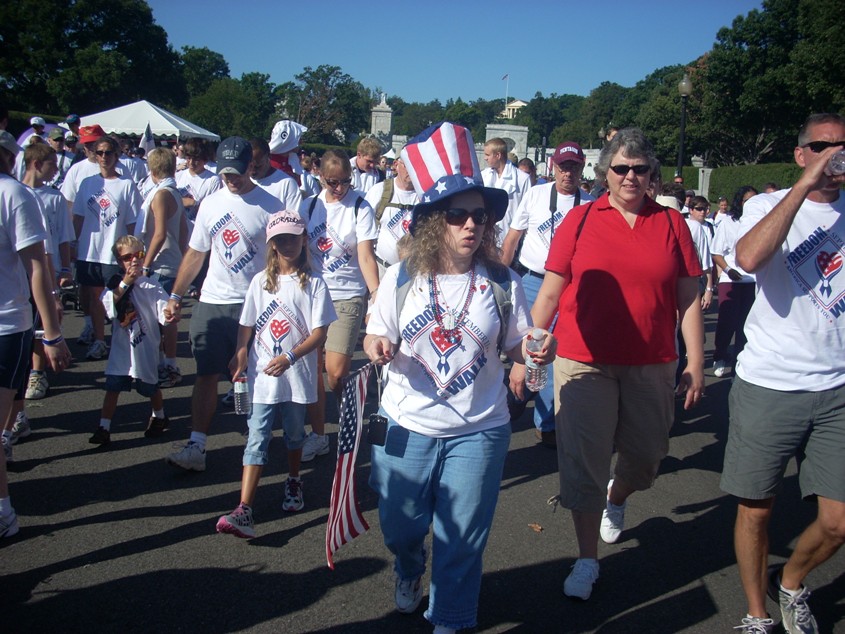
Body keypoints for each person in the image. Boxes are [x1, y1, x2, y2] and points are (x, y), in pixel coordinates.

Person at [365, 121, 554, 633]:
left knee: (462, 538)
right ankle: (408, 568)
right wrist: (378, 344)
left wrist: (533, 351)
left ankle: (450, 620)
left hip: (480, 427)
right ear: (433, 221)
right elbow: (374, 332)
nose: (472, 225)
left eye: (480, 215)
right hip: (406, 426)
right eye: (457, 215)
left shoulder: (503, 281)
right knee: (401, 527)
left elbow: (516, 345)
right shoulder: (402, 279)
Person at [529, 128, 704, 601]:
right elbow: (550, 290)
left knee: (647, 459)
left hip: (653, 362)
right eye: (621, 168)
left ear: (652, 175)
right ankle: (586, 559)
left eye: (640, 169)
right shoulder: (580, 221)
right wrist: (530, 343)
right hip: (583, 361)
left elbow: (688, 300)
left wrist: (696, 360)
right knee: (582, 461)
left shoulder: (672, 224)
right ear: (605, 172)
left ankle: (617, 496)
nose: (630, 177)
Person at [721, 113, 845, 634]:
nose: (834, 156)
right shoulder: (767, 205)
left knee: (838, 522)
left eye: (842, 148)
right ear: (800, 153)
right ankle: (755, 612)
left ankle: (790, 580)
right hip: (769, 382)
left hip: (836, 385)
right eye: (821, 146)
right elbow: (748, 257)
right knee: (757, 510)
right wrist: (805, 187)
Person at [164, 137, 282, 472]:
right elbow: (196, 253)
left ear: (252, 166)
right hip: (212, 302)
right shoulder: (211, 204)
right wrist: (175, 295)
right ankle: (196, 445)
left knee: (256, 377)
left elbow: (283, 258)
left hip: (254, 306)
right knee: (205, 374)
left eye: (237, 172)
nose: (231, 178)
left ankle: (255, 443)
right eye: (225, 172)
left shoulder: (271, 206)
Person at [216, 210, 336, 538]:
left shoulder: (313, 284)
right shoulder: (260, 282)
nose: (287, 244)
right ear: (270, 244)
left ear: (303, 239)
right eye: (280, 238)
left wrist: (290, 356)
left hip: (296, 376)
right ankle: (244, 508)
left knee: (295, 435)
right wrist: (241, 351)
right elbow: (247, 323)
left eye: (293, 237)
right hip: (262, 376)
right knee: (256, 438)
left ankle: (294, 480)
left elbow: (319, 334)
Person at [0, 130, 71, 536]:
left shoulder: (14, 196)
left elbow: (36, 265)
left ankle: (4, 512)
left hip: (8, 322)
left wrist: (52, 332)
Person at [505, 142, 593, 448]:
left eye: (574, 167)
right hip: (533, 280)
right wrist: (500, 278)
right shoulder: (536, 194)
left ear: (583, 169)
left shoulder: (590, 205)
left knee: (556, 354)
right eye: (562, 166)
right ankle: (516, 395)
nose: (568, 173)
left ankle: (547, 424)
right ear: (552, 167)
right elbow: (513, 237)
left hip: (569, 286)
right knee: (530, 347)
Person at [300, 149, 379, 462]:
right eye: (333, 182)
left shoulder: (360, 206)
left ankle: (349, 408)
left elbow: (365, 255)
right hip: (313, 293)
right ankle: (319, 434)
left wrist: (375, 297)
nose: (339, 188)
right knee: (311, 369)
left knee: (334, 372)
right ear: (321, 176)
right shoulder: (309, 205)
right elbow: (300, 250)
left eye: (345, 181)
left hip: (348, 293)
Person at [88, 235, 171, 444]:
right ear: (119, 261)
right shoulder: (115, 284)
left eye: (138, 255)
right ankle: (103, 427)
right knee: (113, 387)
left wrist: (169, 313)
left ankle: (159, 416)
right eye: (127, 257)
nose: (134, 260)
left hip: (145, 345)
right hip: (122, 347)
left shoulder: (152, 286)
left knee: (150, 386)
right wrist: (127, 281)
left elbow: (163, 310)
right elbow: (109, 303)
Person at [72, 135, 141, 360]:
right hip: (89, 250)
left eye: (108, 153)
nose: (103, 157)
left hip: (114, 253)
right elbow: (79, 217)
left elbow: (133, 222)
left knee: (117, 296)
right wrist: (74, 244)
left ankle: (121, 341)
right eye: (99, 153)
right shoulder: (87, 183)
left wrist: (134, 253)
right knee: (94, 298)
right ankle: (100, 341)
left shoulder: (126, 184)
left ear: (116, 155)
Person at [22, 143, 73, 402]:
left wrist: (64, 268)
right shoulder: (18, 194)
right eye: (52, 164)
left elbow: (60, 238)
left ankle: (37, 373)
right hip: (17, 272)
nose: (56, 169)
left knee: (42, 323)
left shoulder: (53, 198)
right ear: (36, 164)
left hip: (45, 269)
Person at [137, 147, 188, 388]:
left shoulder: (160, 195)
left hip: (161, 265)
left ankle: (168, 366)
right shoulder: (174, 193)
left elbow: (158, 235)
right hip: (172, 261)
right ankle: (164, 363)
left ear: (152, 168)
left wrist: (144, 266)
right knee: (165, 318)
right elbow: (183, 232)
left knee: (163, 319)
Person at [710, 186, 758, 378]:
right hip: (731, 280)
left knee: (746, 325)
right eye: (747, 201)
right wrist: (729, 270)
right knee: (727, 322)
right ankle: (720, 355)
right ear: (740, 203)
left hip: (753, 281)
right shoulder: (728, 223)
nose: (751, 204)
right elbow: (716, 253)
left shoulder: (762, 222)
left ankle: (739, 363)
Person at [364, 154, 419, 274]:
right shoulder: (378, 191)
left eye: (416, 166)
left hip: (414, 272)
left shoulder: (425, 196)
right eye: (408, 165)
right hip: (381, 269)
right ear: (396, 164)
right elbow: (363, 233)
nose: (412, 170)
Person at [481, 137, 530, 245]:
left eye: (488, 155)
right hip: (485, 237)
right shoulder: (483, 176)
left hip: (509, 238)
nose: (485, 158)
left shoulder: (522, 179)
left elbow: (526, 211)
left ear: (498, 155)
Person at [249, 137, 302, 212]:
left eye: (258, 166)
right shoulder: (243, 180)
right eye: (249, 166)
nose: (253, 172)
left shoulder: (287, 184)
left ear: (269, 157)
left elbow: (295, 219)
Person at [175, 138, 221, 221]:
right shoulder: (178, 176)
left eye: (196, 159)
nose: (191, 163)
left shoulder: (213, 180)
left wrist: (194, 203)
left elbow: (215, 210)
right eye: (189, 158)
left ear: (205, 160)